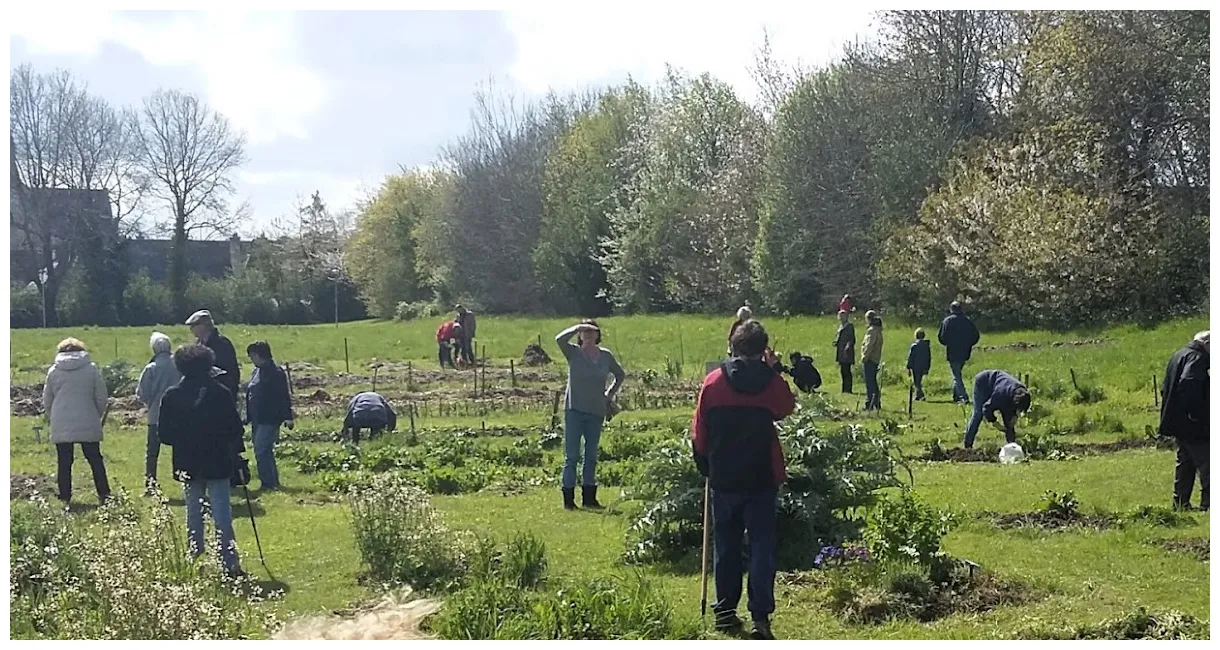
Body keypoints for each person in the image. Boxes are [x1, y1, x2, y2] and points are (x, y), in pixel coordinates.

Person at [691, 319, 796, 640]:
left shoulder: (713, 383)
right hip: (762, 478)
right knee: (762, 546)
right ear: (763, 349)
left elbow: (699, 433)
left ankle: (725, 610)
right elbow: (787, 407)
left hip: (724, 477)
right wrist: (774, 369)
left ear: (733, 346)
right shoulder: (771, 384)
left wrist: (704, 464)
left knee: (727, 545)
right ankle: (760, 617)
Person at [157, 344, 245, 576]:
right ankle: (229, 563)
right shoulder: (220, 393)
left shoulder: (172, 395)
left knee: (193, 511)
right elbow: (235, 429)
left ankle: (194, 560)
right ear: (208, 365)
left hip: (187, 462)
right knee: (221, 512)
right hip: (217, 460)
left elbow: (164, 435)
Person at [555, 319, 626, 510]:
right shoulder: (573, 353)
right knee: (572, 455)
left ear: (597, 335)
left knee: (591, 455)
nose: (587, 334)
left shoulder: (605, 356)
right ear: (579, 335)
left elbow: (620, 374)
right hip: (574, 409)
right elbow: (559, 339)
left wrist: (609, 395)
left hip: (596, 410)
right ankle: (569, 500)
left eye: (591, 331)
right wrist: (576, 327)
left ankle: (589, 498)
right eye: (584, 331)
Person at [43, 338, 111, 505]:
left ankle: (65, 496)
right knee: (95, 458)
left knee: (64, 461)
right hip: (87, 418)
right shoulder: (91, 369)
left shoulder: (54, 371)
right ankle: (104, 494)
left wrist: (54, 416)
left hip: (61, 420)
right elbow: (102, 397)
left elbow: (47, 399)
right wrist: (96, 414)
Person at [1159, 331, 1209, 511]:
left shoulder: (1179, 354)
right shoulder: (1197, 358)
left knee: (1185, 463)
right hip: (1195, 423)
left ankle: (1180, 503)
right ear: (1207, 343)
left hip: (1178, 422)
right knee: (1208, 461)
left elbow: (1165, 388)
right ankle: (1209, 505)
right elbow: (1188, 382)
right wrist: (1195, 412)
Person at [136, 332, 182, 494]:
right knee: (182, 449)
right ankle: (186, 481)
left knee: (152, 452)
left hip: (156, 415)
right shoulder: (179, 364)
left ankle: (151, 484)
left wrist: (149, 402)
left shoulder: (151, 368)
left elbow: (142, 393)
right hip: (179, 415)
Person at [246, 341, 294, 491]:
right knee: (264, 450)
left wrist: (288, 416)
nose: (251, 359)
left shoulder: (276, 373)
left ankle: (268, 483)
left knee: (261, 449)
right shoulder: (257, 371)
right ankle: (272, 481)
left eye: (252, 356)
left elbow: (283, 396)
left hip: (269, 418)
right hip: (257, 418)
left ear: (259, 355)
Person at [963, 369, 1032, 449]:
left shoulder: (1024, 394)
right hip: (983, 383)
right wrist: (995, 423)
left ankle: (1012, 446)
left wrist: (1015, 416)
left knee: (1009, 422)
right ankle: (968, 444)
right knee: (978, 414)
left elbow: (1019, 407)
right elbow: (986, 408)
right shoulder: (1000, 395)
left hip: (1001, 387)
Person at [187, 310, 240, 404]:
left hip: (220, 396)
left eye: (193, 326)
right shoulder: (198, 344)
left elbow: (230, 372)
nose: (191, 329)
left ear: (203, 325)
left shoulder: (221, 343)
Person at [937, 301, 980, 404]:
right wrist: (969, 344)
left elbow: (941, 337)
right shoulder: (967, 321)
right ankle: (956, 396)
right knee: (957, 373)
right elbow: (976, 336)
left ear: (951, 309)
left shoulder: (947, 321)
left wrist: (948, 343)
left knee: (956, 376)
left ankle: (964, 397)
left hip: (952, 351)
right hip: (965, 352)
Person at [861, 310, 884, 410]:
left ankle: (869, 403)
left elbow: (869, 345)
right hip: (876, 358)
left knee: (869, 382)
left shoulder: (872, 331)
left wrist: (864, 357)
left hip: (870, 359)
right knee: (873, 382)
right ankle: (876, 402)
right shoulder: (879, 330)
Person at [833, 310, 856, 394]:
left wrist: (848, 346)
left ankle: (848, 388)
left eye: (843, 316)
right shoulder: (840, 326)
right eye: (840, 316)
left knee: (847, 370)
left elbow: (852, 339)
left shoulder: (849, 326)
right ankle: (844, 388)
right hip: (840, 351)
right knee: (842, 370)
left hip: (847, 352)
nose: (841, 318)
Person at [906, 328, 932, 401]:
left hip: (916, 366)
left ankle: (921, 395)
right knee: (918, 381)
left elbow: (911, 357)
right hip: (924, 366)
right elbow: (929, 357)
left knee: (916, 382)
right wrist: (927, 367)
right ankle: (917, 395)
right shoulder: (926, 346)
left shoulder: (914, 346)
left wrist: (908, 367)